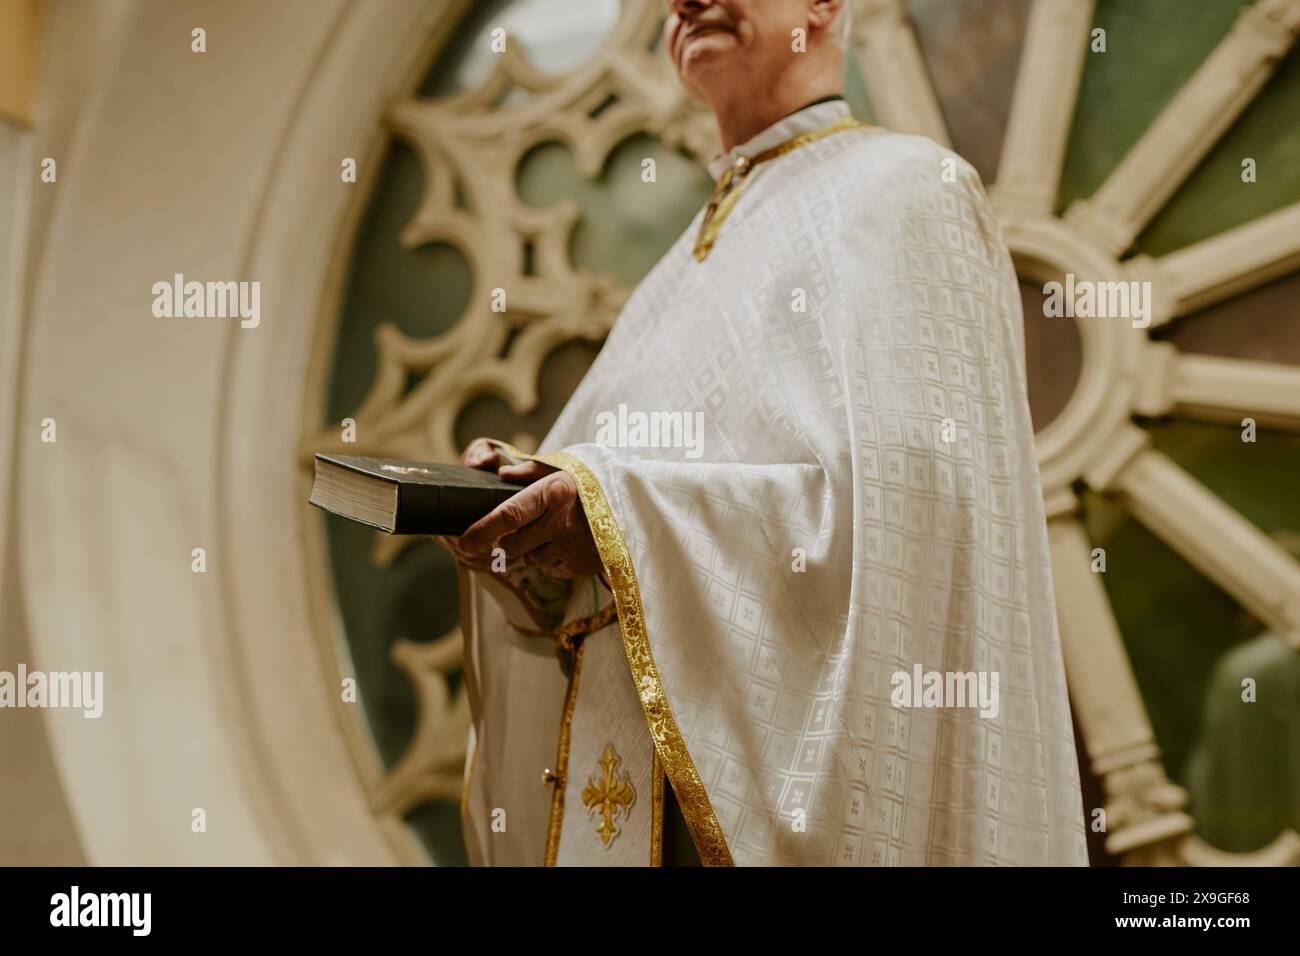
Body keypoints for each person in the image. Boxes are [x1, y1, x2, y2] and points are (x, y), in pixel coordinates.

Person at [439, 0, 1088, 866]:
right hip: (646, 798)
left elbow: (913, 522)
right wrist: (530, 512)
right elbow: (602, 538)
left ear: (823, 5)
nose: (686, 3)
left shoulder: (904, 189)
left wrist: (616, 510)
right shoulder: (680, 265)